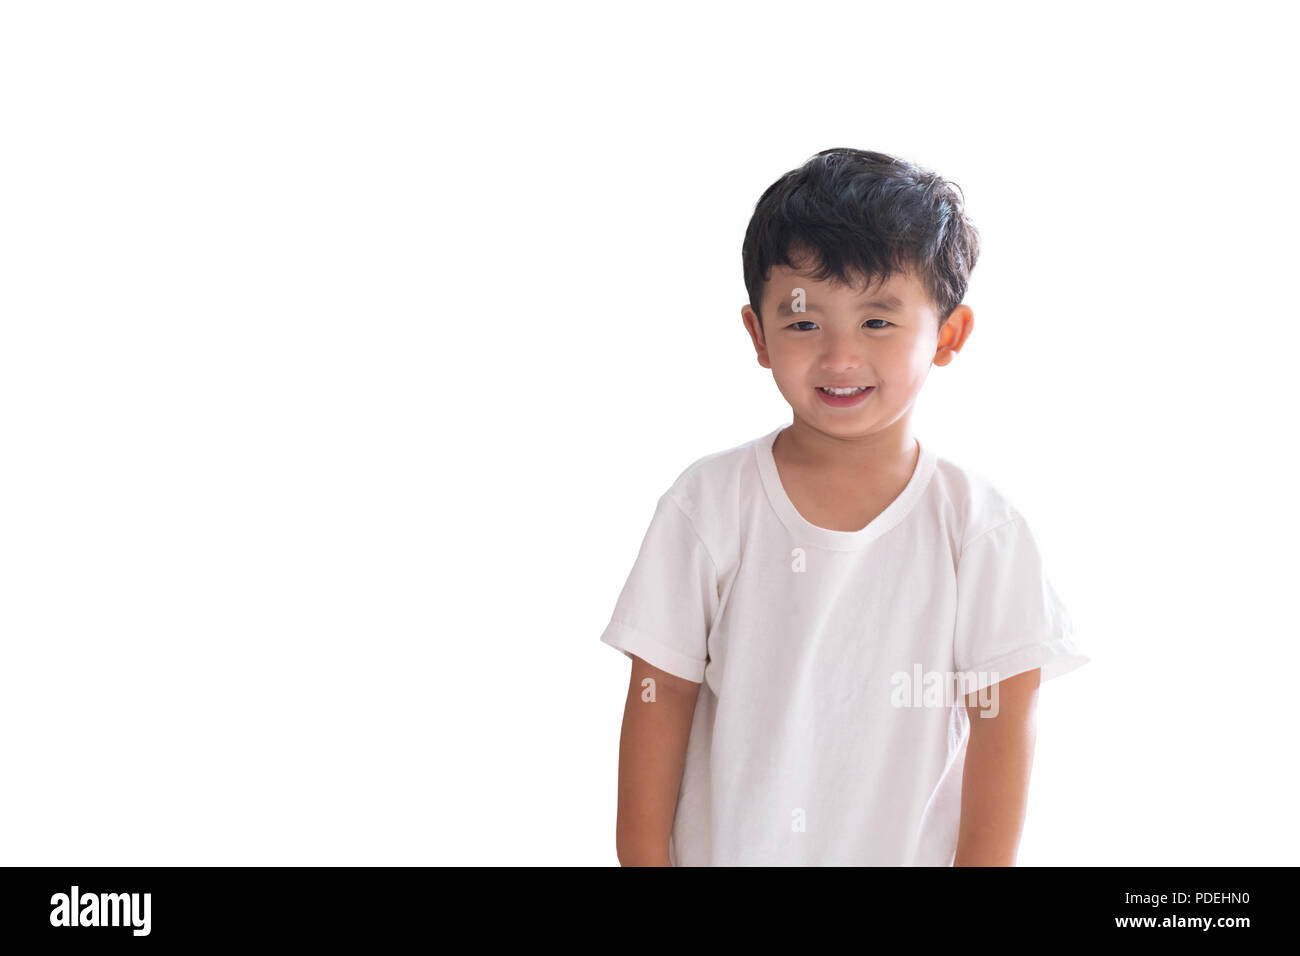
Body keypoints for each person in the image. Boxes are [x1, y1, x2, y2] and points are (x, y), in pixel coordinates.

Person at [600, 147, 1090, 866]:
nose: (838, 357)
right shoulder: (707, 503)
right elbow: (659, 696)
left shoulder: (980, 528)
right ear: (758, 334)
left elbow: (1003, 722)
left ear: (947, 335)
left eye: (877, 322)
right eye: (803, 324)